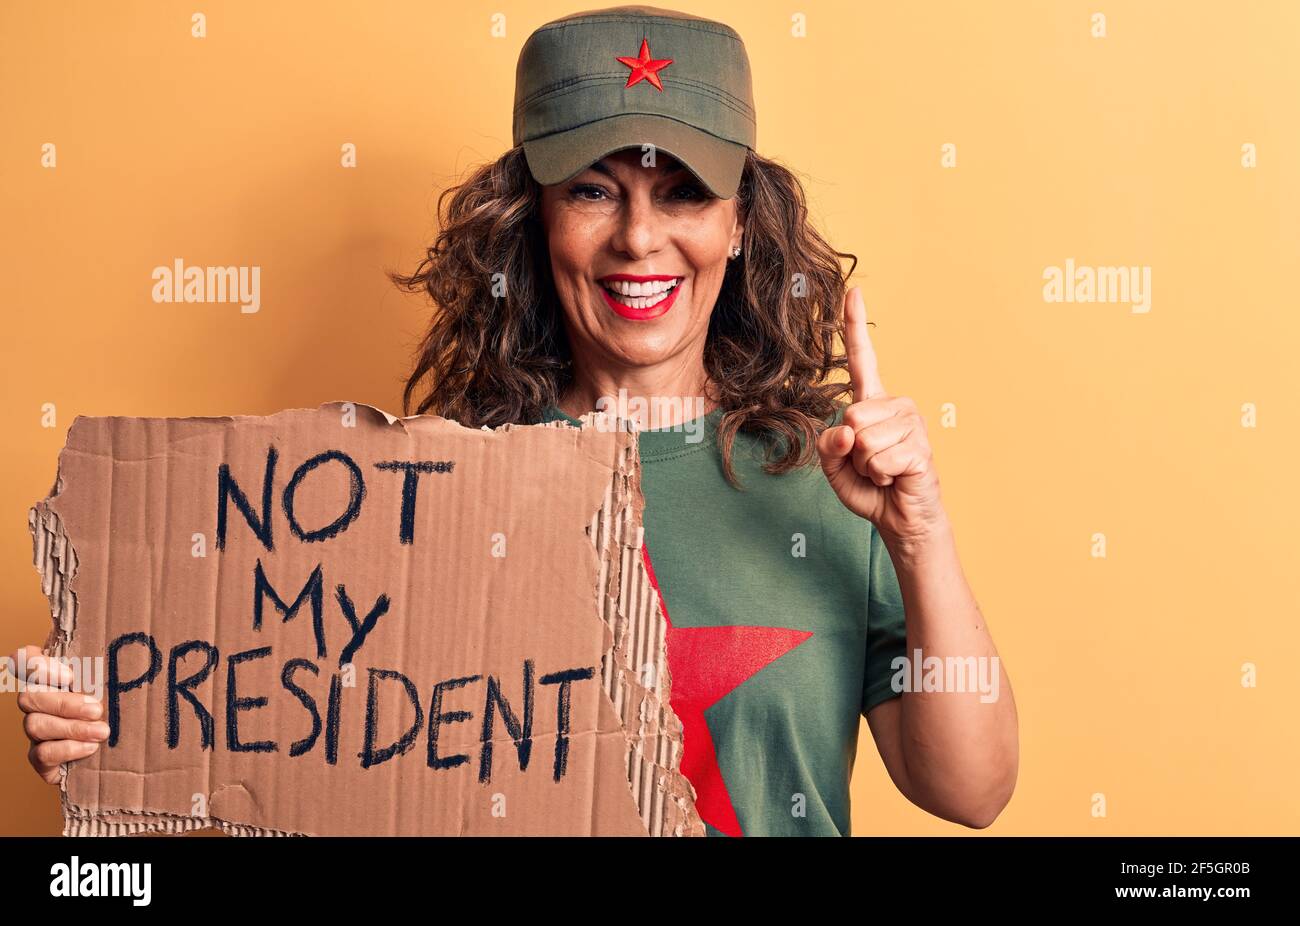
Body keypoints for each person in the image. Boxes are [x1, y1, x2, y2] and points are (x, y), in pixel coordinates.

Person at [13, 4, 1017, 837]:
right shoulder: (430, 494)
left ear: (739, 220)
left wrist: (917, 531)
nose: (638, 238)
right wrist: (130, 728)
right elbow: (316, 761)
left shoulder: (836, 480)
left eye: (682, 194)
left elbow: (970, 792)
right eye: (593, 190)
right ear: (534, 217)